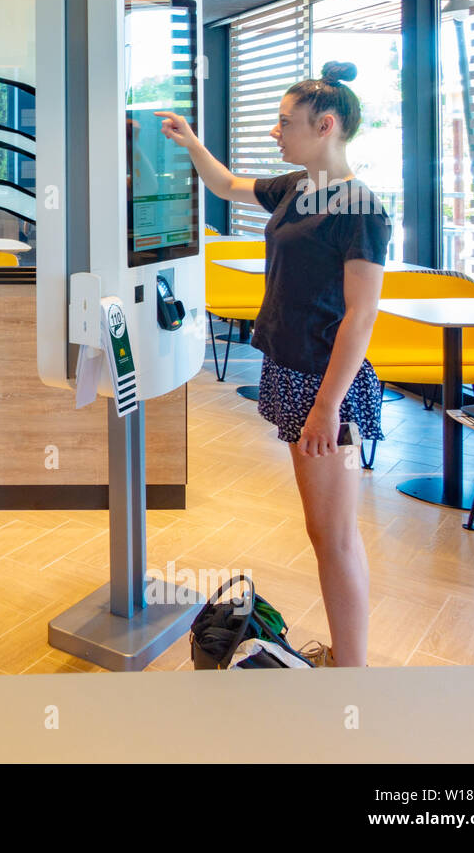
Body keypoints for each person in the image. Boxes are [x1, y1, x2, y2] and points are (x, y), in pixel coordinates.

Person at [156, 61, 390, 668]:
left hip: (325, 383)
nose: (275, 132)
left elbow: (360, 318)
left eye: (286, 123)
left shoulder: (360, 206)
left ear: (326, 125)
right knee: (327, 532)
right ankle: (346, 658)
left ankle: (353, 671)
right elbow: (229, 185)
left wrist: (326, 407)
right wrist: (190, 142)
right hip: (296, 373)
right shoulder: (294, 187)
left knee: (332, 537)